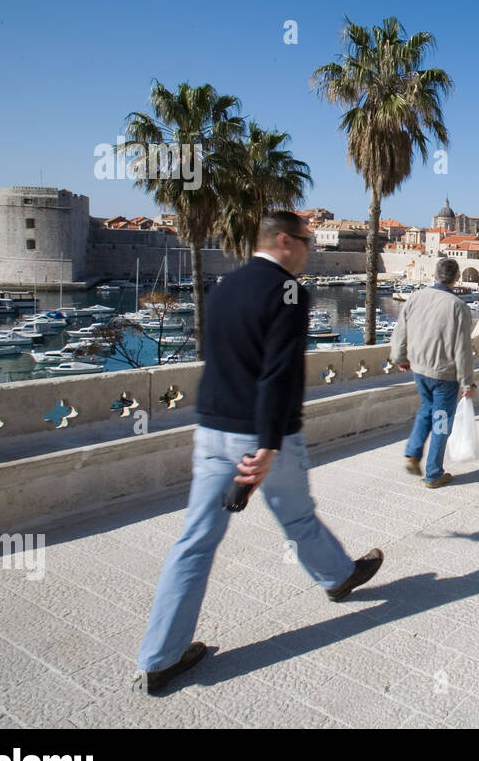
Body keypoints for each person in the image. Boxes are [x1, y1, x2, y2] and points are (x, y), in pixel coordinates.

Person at [134, 211, 384, 695]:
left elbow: (215, 356)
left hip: (213, 428)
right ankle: (336, 576)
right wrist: (268, 444)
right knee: (297, 517)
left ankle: (160, 658)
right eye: (307, 241)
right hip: (265, 436)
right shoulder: (288, 292)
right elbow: (277, 374)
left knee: (195, 540)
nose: (311, 250)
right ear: (285, 241)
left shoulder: (225, 287)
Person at [390, 257, 477, 488]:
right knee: (440, 422)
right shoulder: (458, 307)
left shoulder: (416, 297)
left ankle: (413, 453)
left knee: (426, 409)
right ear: (456, 278)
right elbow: (463, 350)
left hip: (419, 370)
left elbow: (400, 332)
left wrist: (400, 358)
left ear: (435, 275)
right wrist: (467, 383)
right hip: (444, 376)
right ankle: (434, 473)